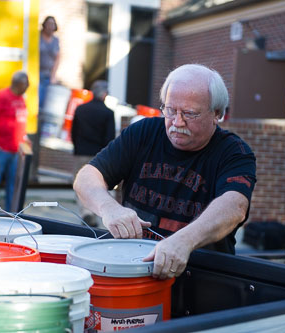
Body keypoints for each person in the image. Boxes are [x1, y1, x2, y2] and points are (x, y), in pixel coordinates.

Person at [73, 64, 256, 280]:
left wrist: (184, 241)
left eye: (190, 113)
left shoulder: (234, 152)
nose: (177, 123)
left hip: (201, 275)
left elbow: (234, 206)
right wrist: (109, 208)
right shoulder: (143, 133)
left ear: (217, 113)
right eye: (170, 110)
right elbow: (86, 178)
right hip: (133, 269)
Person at [0, 71, 30, 212]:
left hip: (14, 149)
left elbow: (20, 121)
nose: (28, 87)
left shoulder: (21, 99)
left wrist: (24, 138)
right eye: (27, 84)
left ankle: (13, 214)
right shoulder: (1, 97)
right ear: (19, 84)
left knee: (14, 186)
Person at [71, 80, 115, 226]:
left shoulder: (80, 109)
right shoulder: (108, 113)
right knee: (97, 185)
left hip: (81, 152)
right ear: (104, 94)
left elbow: (73, 131)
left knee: (80, 183)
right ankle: (94, 213)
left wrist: (77, 147)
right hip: (98, 155)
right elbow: (110, 138)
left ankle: (85, 212)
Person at [39, 16, 60, 109]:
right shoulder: (38, 37)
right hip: (37, 73)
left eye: (53, 24)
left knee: (46, 102)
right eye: (48, 24)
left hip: (48, 75)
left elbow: (57, 58)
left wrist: (53, 75)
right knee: (38, 99)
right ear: (44, 25)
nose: (50, 27)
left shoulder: (55, 40)